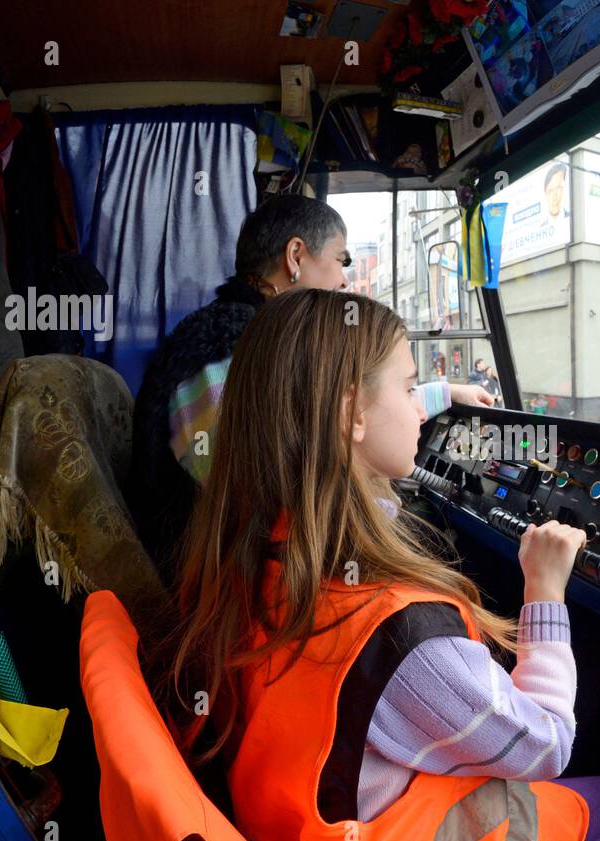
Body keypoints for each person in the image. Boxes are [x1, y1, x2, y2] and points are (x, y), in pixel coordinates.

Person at [146, 291, 600, 841]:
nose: (418, 410)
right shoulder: (402, 633)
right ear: (352, 415)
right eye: (409, 389)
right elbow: (551, 743)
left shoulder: (245, 549)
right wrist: (544, 590)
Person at [128, 194, 493, 584]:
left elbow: (336, 409)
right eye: (341, 260)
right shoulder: (224, 362)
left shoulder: (256, 344)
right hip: (228, 581)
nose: (344, 280)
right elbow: (262, 497)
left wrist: (444, 393)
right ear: (296, 257)